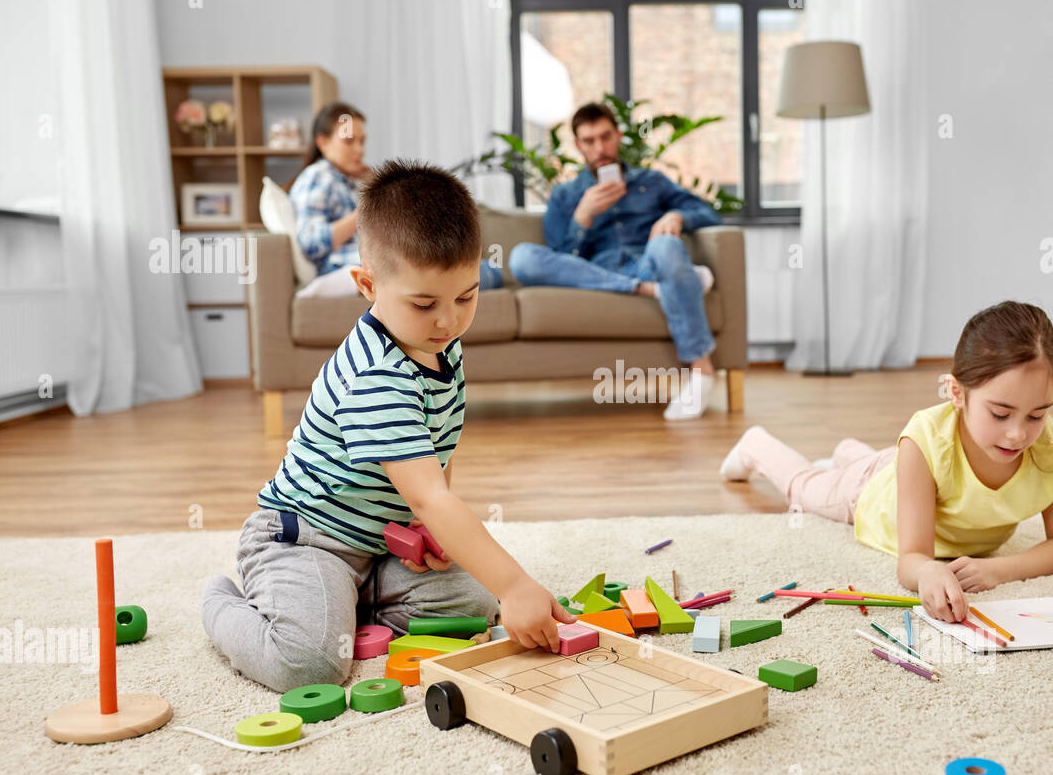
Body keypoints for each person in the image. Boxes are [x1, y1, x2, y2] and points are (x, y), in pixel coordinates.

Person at [202, 160, 574, 693]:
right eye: (424, 304)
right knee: (309, 664)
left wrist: (432, 536)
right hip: (307, 539)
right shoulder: (376, 377)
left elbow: (437, 456)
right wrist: (516, 584)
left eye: (466, 296)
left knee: (474, 607)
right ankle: (220, 602)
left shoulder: (437, 342)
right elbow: (428, 498)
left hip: (382, 542)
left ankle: (354, 599)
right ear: (367, 284)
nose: (448, 320)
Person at [719, 301, 1053, 622]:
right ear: (956, 393)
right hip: (870, 493)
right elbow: (911, 557)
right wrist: (927, 572)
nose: (1018, 435)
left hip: (907, 469)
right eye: (1001, 414)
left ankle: (850, 452)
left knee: (894, 462)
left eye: (1036, 416)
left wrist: (997, 570)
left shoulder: (1050, 448)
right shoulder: (924, 440)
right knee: (806, 489)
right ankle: (756, 445)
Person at [508, 101, 724, 420]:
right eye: (590, 141)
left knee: (666, 246)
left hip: (649, 261)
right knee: (521, 257)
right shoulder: (566, 196)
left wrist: (677, 216)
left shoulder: (652, 181)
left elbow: (709, 213)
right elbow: (560, 260)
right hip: (595, 273)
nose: (600, 148)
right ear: (579, 146)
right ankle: (655, 288)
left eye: (605, 137)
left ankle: (702, 370)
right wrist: (582, 217)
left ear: (618, 136)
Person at [290, 101, 502, 293]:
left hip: (383, 260)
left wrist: (375, 183)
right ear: (322, 142)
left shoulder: (344, 181)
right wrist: (366, 209)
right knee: (475, 272)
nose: (359, 150)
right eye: (349, 141)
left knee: (470, 269)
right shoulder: (318, 177)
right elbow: (311, 243)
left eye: (362, 142)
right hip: (352, 265)